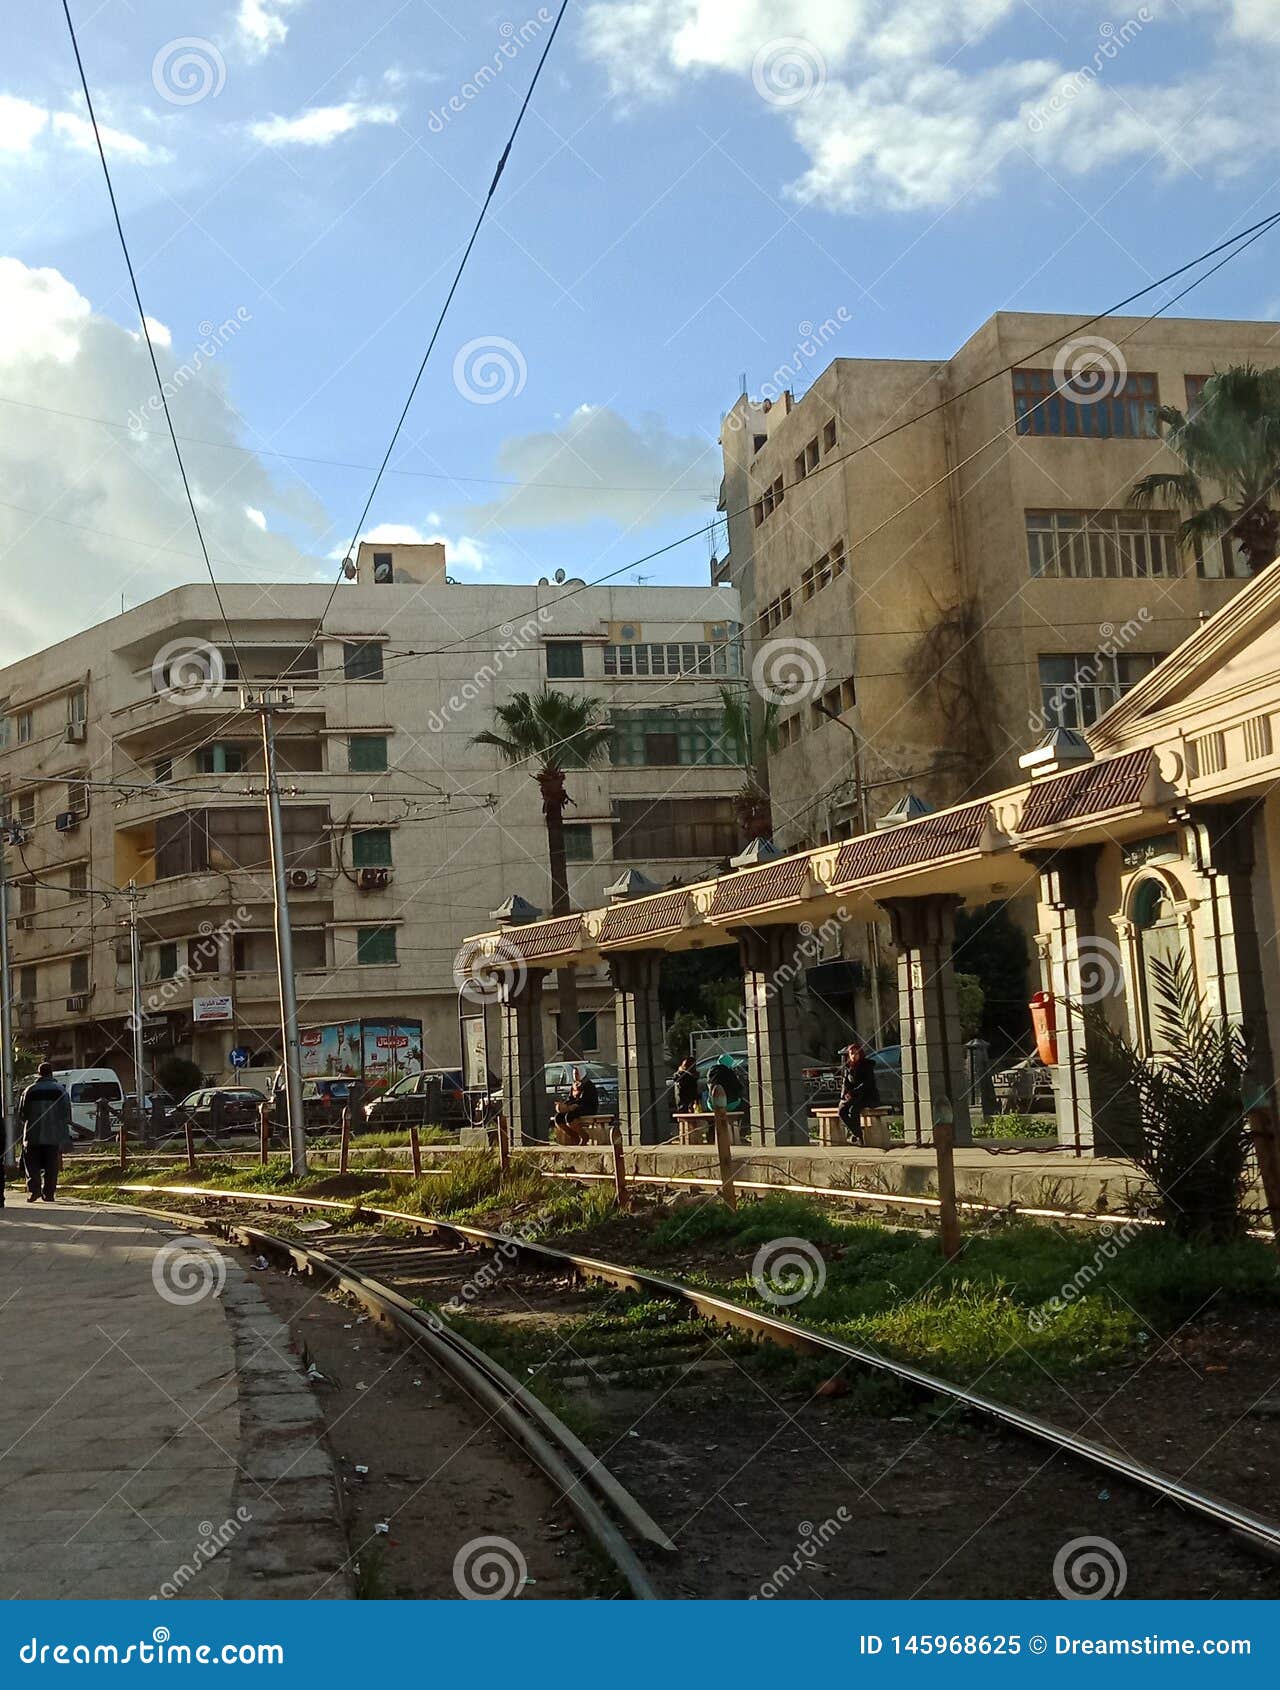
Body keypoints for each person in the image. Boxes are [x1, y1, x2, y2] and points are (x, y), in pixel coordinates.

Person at [19, 1062, 74, 1203]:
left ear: (39, 1073)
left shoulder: (29, 1091)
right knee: (51, 1166)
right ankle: (49, 1193)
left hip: (32, 1135)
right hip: (53, 1136)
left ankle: (34, 1190)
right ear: (51, 1073)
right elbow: (66, 1114)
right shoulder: (60, 1090)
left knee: (32, 1165)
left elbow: (23, 1114)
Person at [838, 1040, 879, 1146]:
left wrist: (852, 1092)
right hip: (854, 1097)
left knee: (853, 1110)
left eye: (856, 1053)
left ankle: (859, 1138)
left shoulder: (867, 1065)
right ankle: (856, 1134)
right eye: (851, 1053)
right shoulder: (848, 1067)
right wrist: (844, 1096)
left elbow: (867, 1083)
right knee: (842, 1111)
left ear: (860, 1054)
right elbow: (845, 1083)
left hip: (867, 1096)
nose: (854, 1056)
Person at [552, 1066, 598, 1145]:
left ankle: (584, 1136)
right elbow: (570, 1098)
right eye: (573, 1074)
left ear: (582, 1073)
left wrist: (573, 1105)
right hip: (575, 1108)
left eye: (576, 1073)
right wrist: (564, 1104)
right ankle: (574, 1136)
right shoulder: (574, 1085)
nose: (575, 1075)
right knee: (558, 1117)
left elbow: (584, 1100)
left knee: (569, 1117)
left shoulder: (588, 1085)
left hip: (587, 1108)